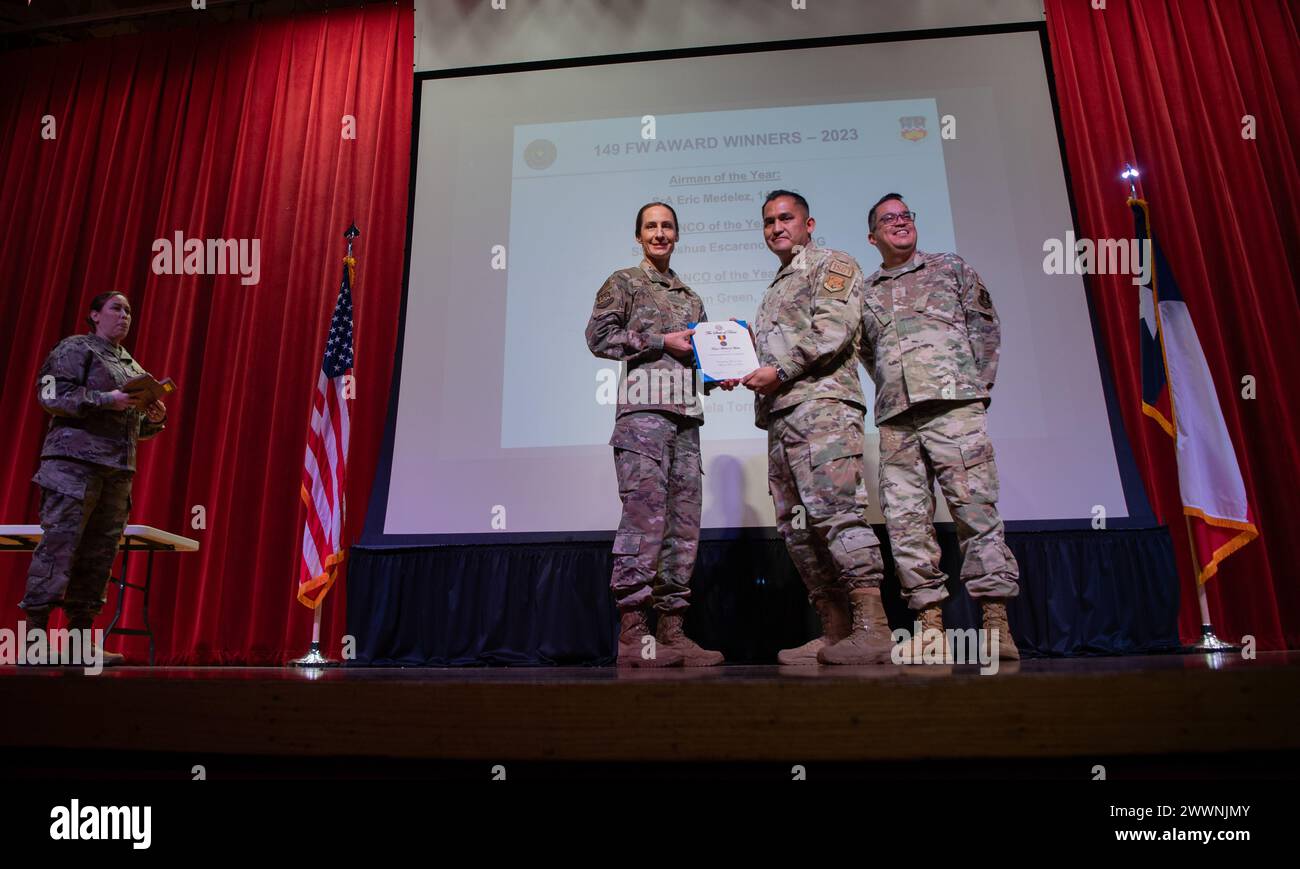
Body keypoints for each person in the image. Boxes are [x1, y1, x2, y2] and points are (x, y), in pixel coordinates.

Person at [859, 193, 1020, 661]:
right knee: (906, 523)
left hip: (956, 408)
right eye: (889, 219)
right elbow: (869, 354)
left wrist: (975, 388)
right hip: (897, 419)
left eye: (906, 215)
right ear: (873, 237)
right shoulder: (866, 292)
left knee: (976, 510)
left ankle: (994, 623)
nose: (900, 223)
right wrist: (894, 389)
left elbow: (985, 327)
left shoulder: (951, 268)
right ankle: (929, 624)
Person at [735, 190, 890, 665]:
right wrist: (736, 366)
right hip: (782, 417)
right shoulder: (776, 286)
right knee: (797, 528)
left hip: (823, 410)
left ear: (808, 223)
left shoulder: (832, 264)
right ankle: (836, 629)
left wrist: (777, 372)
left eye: (786, 218)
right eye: (768, 222)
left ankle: (874, 627)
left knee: (837, 514)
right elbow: (771, 356)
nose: (777, 227)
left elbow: (833, 329)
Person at [585, 202, 724, 667]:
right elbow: (598, 337)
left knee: (683, 527)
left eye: (667, 226)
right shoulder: (623, 282)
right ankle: (634, 635)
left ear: (677, 234)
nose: (660, 234)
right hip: (643, 420)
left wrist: (720, 372)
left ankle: (671, 631)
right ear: (639, 235)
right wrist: (659, 340)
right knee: (644, 523)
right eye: (651, 227)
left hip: (686, 420)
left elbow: (699, 360)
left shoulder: (691, 297)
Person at [20, 292, 168, 665]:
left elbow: (132, 425)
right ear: (94, 315)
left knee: (99, 556)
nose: (125, 315)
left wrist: (151, 417)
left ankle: (78, 644)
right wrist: (106, 399)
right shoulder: (75, 347)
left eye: (129, 310)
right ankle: (35, 643)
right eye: (116, 308)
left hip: (117, 471)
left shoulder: (130, 364)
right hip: (72, 467)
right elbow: (50, 394)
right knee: (59, 549)